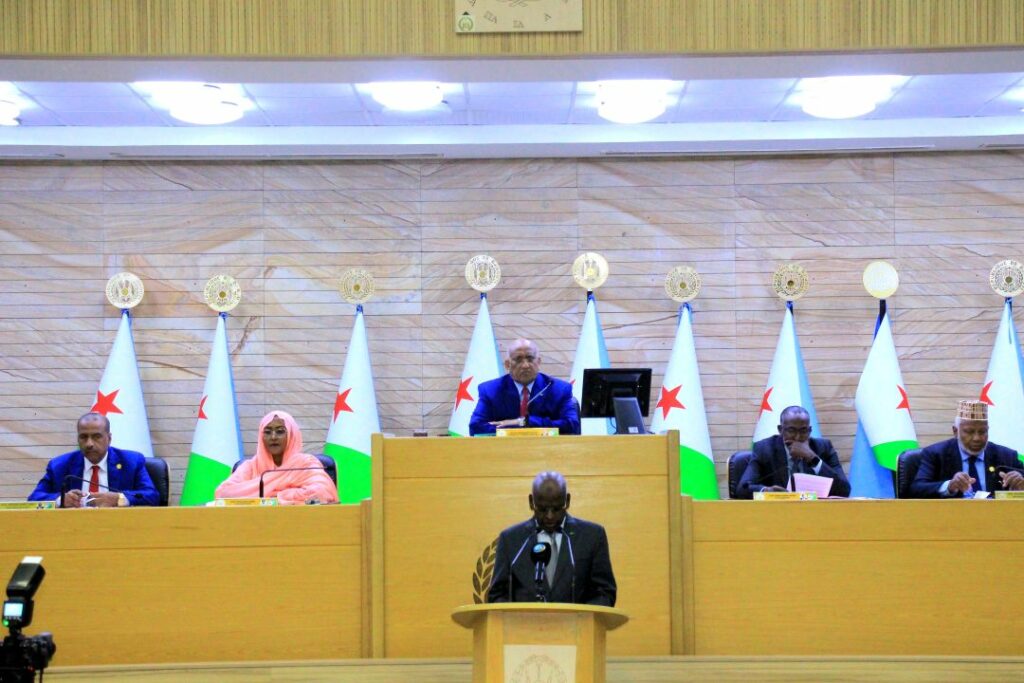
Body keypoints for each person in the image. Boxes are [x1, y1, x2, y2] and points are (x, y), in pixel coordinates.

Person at [487, 471, 616, 605]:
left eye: (556, 509)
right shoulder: (511, 540)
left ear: (567, 500)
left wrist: (582, 618)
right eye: (542, 509)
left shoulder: (592, 536)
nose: (550, 516)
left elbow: (605, 592)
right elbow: (497, 594)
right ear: (531, 502)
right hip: (524, 625)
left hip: (576, 625)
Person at [28, 412, 159, 507]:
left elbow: (152, 496)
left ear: (109, 438)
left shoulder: (131, 461)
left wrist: (118, 499)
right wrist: (60, 500)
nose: (89, 443)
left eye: (96, 437)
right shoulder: (59, 466)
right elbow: (33, 499)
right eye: (84, 437)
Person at [215, 410, 338, 505]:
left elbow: (322, 492)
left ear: (291, 435)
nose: (273, 437)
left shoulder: (305, 463)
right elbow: (222, 494)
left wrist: (277, 497)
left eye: (280, 431)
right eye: (267, 432)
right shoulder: (251, 466)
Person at [909, 400, 1024, 498]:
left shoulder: (1007, 455)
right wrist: (949, 486)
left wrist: (1021, 485)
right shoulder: (936, 454)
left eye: (982, 432)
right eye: (969, 432)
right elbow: (915, 490)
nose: (977, 438)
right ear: (955, 431)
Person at [469, 338, 580, 435]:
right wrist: (520, 430)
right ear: (508, 364)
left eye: (530, 359)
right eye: (518, 360)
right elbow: (475, 427)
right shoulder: (491, 390)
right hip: (505, 453)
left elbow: (572, 425)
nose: (525, 365)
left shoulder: (559, 389)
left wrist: (524, 422)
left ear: (539, 362)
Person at [738, 405, 851, 498]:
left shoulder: (823, 447)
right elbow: (742, 489)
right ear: (780, 430)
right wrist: (766, 490)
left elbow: (844, 490)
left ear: (810, 430)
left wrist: (812, 458)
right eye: (791, 430)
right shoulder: (765, 448)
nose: (797, 437)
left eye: (803, 431)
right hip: (777, 513)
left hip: (815, 512)